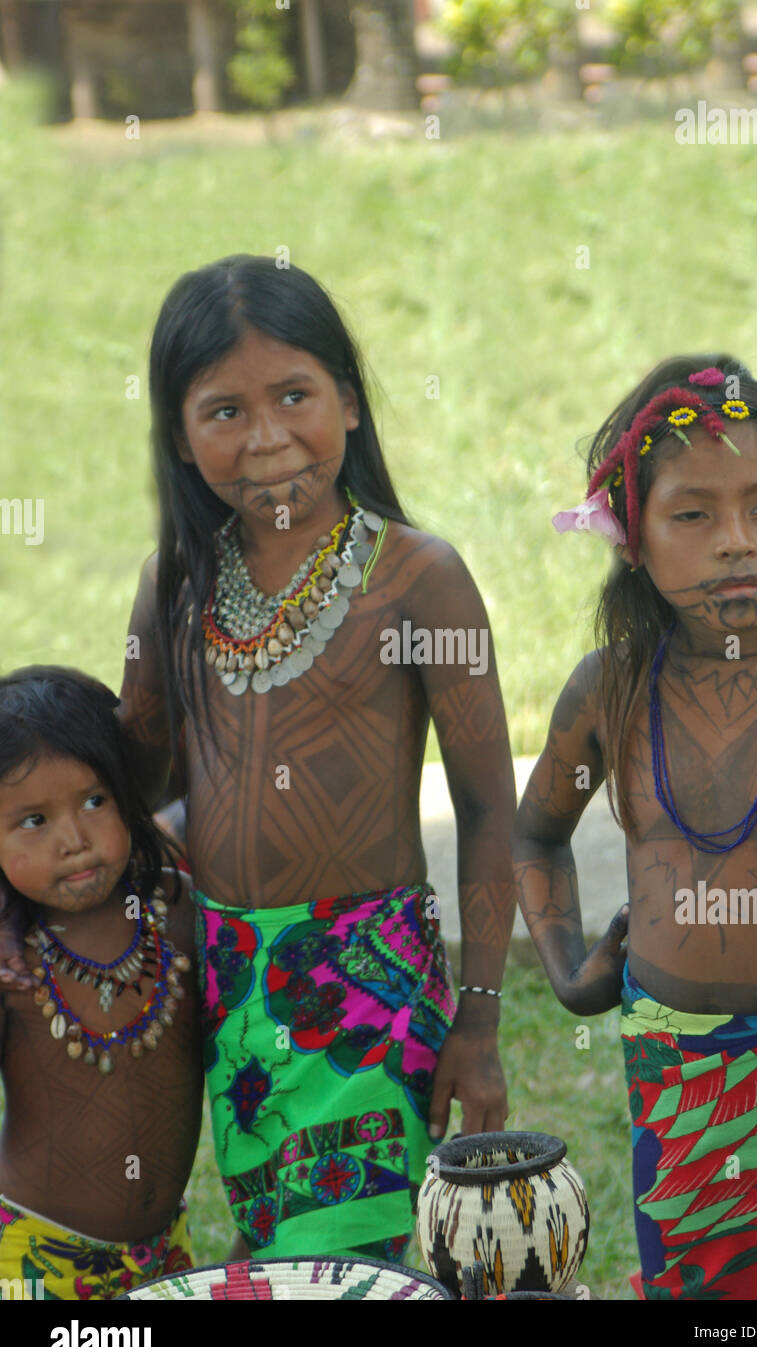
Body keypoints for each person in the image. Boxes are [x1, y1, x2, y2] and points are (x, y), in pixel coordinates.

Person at [115, 255, 513, 1263]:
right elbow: (137, 782)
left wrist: (480, 1019)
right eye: (224, 411)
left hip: (368, 990)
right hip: (233, 990)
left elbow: (491, 813)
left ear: (350, 401)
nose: (266, 438)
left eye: (295, 396)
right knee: (277, 1255)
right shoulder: (175, 587)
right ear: (178, 434)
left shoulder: (418, 579)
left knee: (349, 1265)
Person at [513, 356, 757, 1301]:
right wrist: (563, 963)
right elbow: (535, 835)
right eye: (691, 515)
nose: (734, 544)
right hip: (683, 1083)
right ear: (631, 536)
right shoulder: (609, 691)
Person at [0, 667, 201, 1299]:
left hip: (165, 1257)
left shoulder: (178, 912)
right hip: (33, 1260)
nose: (75, 840)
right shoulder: (12, 963)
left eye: (94, 800)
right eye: (33, 820)